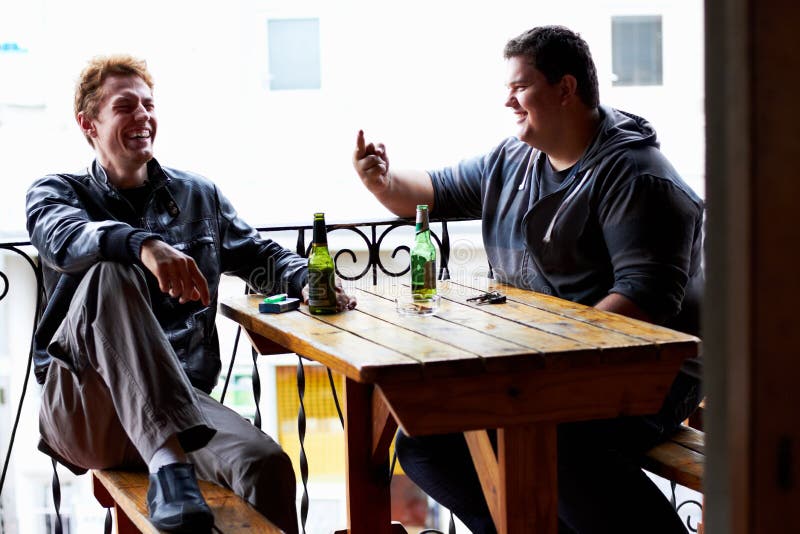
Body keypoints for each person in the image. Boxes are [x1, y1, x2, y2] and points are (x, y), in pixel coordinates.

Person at [353, 25, 703, 534]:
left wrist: (537, 367)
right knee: (424, 442)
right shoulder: (513, 159)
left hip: (650, 376)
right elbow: (432, 192)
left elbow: (641, 303)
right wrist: (383, 182)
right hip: (544, 370)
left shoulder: (638, 177)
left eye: (520, 87)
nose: (508, 101)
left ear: (566, 88)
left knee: (549, 439)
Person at [26, 54, 356, 534]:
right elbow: (65, 238)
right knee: (111, 273)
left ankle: (169, 457)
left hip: (182, 401)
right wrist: (144, 245)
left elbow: (261, 255)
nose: (142, 116)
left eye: (148, 105)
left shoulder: (197, 196)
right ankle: (168, 466)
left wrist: (308, 279)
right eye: (124, 106)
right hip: (86, 405)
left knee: (266, 467)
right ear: (88, 125)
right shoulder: (55, 193)